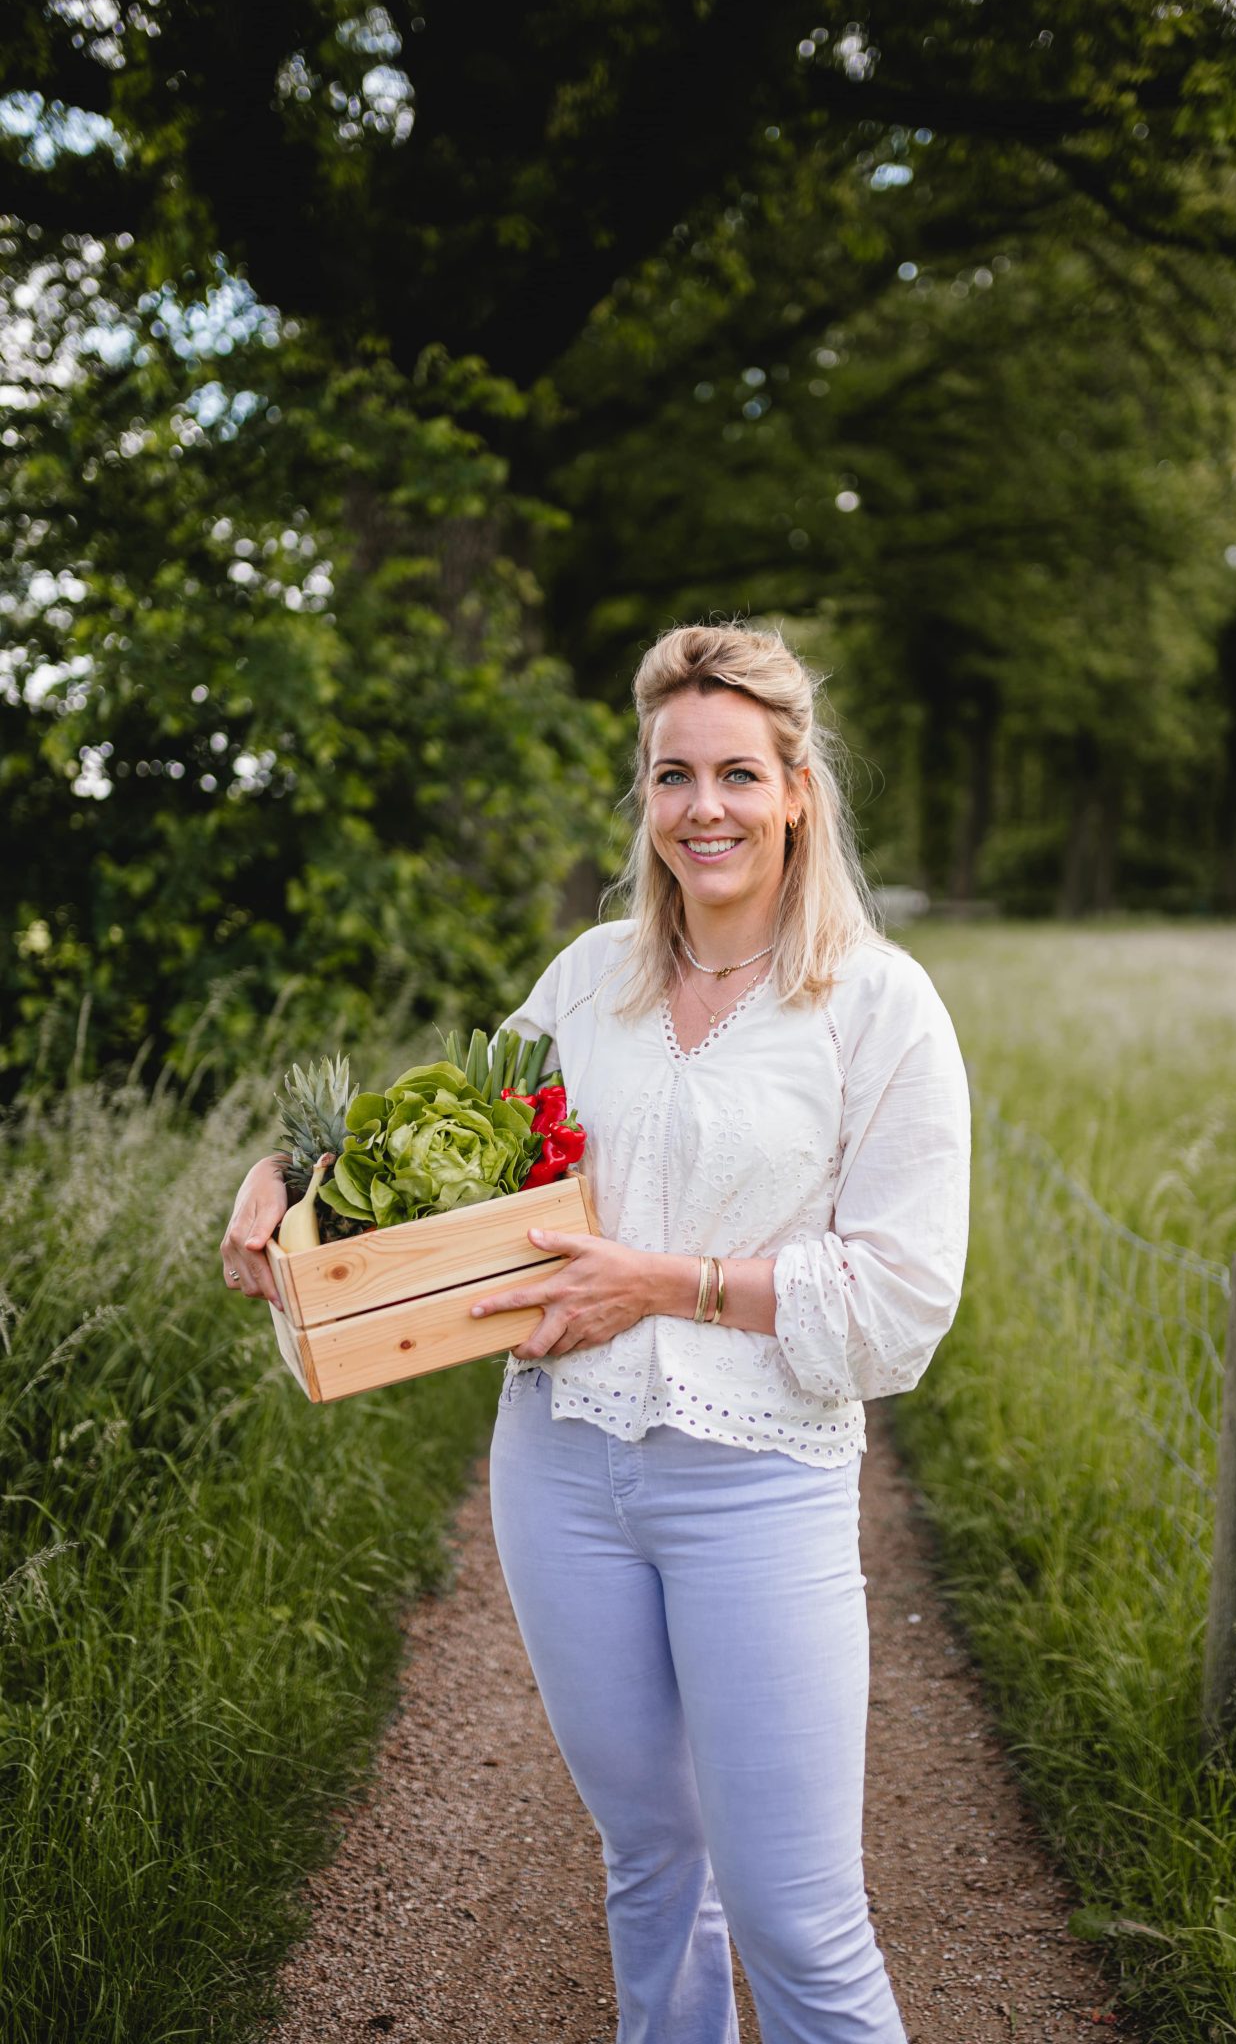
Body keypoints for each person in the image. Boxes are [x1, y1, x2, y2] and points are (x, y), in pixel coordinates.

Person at [220, 621, 971, 2044]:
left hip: (759, 1484)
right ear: (643, 793)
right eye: (672, 774)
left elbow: (903, 1301)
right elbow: (444, 1168)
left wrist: (664, 1281)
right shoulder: (586, 983)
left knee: (797, 1916)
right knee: (649, 1868)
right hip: (560, 1472)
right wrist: (293, 1181)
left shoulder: (879, 1009)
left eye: (738, 773)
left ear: (798, 788)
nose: (704, 809)